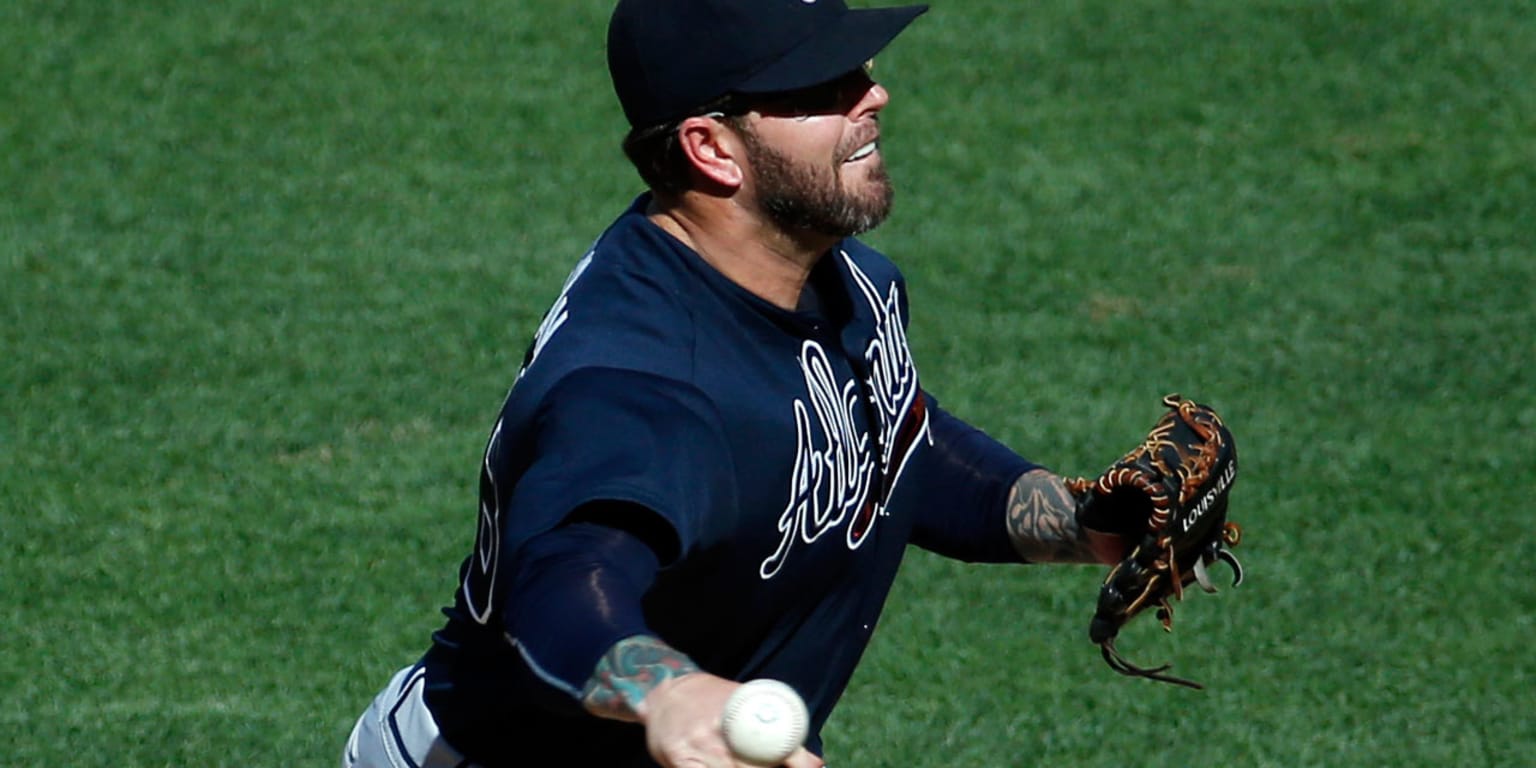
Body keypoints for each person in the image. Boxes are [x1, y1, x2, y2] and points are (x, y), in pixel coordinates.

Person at [343, 1, 1138, 766]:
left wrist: (1085, 524)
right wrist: (671, 692)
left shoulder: (841, 279)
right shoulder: (644, 385)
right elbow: (560, 583)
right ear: (710, 148)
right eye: (823, 88)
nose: (874, 93)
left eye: (857, 67)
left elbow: (892, 442)